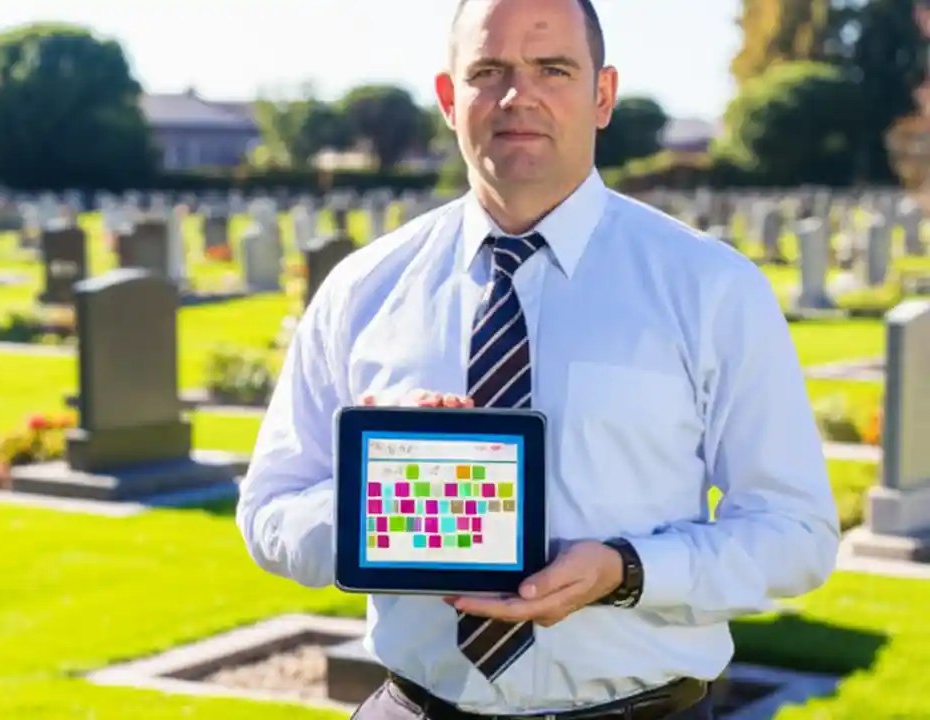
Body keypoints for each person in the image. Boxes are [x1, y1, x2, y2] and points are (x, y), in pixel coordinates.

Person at [235, 0, 840, 717]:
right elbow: (270, 511)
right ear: (448, 98)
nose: (518, 96)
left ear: (602, 94)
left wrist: (627, 570)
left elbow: (795, 535)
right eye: (489, 71)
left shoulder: (710, 287)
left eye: (553, 68)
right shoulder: (364, 289)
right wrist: (387, 501)